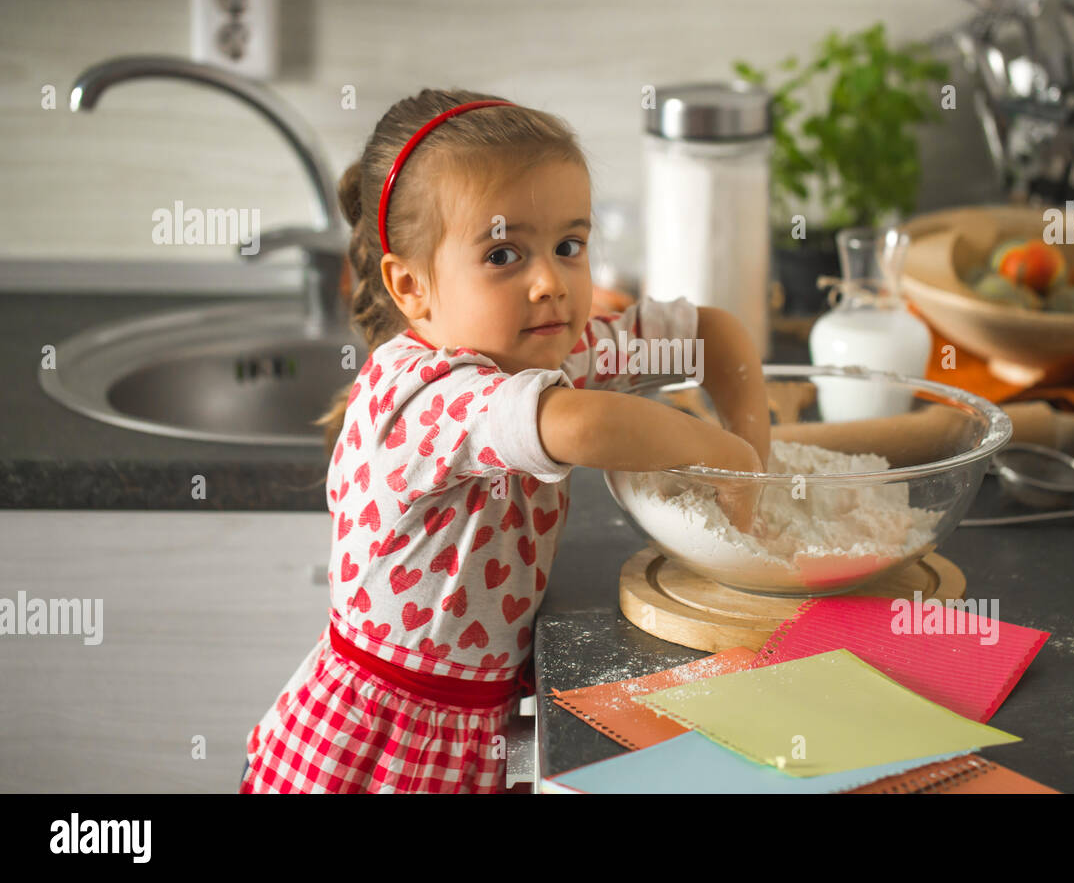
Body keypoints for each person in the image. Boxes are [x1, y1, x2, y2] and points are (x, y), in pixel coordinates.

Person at [238, 89, 770, 793]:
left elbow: (712, 334)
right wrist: (718, 453)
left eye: (568, 246)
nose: (550, 282)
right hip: (382, 742)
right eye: (503, 254)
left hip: (480, 724)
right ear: (411, 286)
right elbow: (577, 426)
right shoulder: (424, 390)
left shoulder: (554, 351)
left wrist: (757, 457)